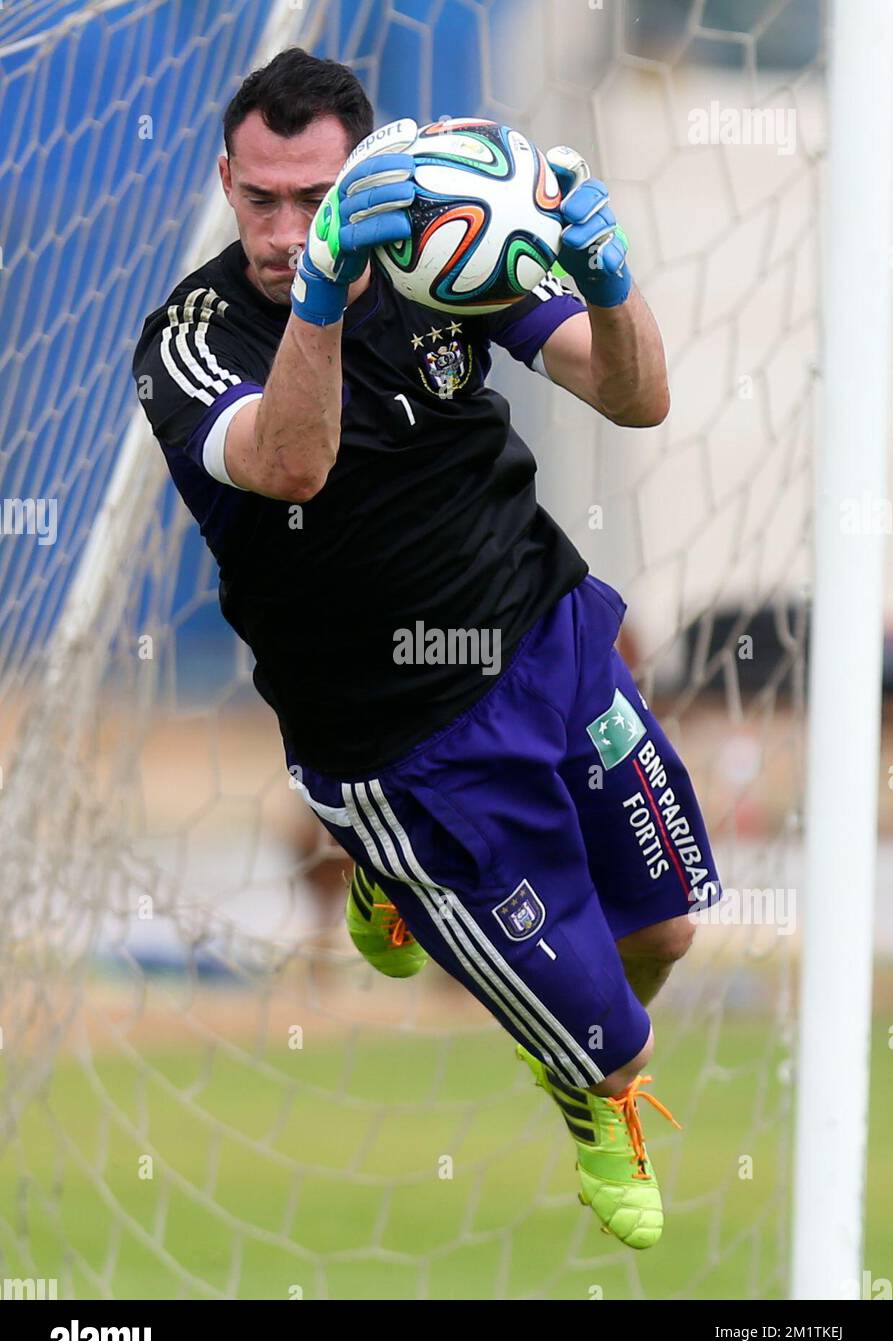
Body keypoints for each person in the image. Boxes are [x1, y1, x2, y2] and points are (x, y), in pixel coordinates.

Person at [132, 46, 722, 1251]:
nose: (284, 229)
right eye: (261, 198)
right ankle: (586, 1077)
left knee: (662, 933)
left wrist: (607, 282)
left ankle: (432, 919)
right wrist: (321, 294)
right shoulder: (191, 337)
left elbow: (636, 399)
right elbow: (293, 463)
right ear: (227, 183)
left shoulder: (439, 251)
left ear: (365, 175)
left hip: (550, 633)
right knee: (615, 1049)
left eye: (315, 198)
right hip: (406, 744)